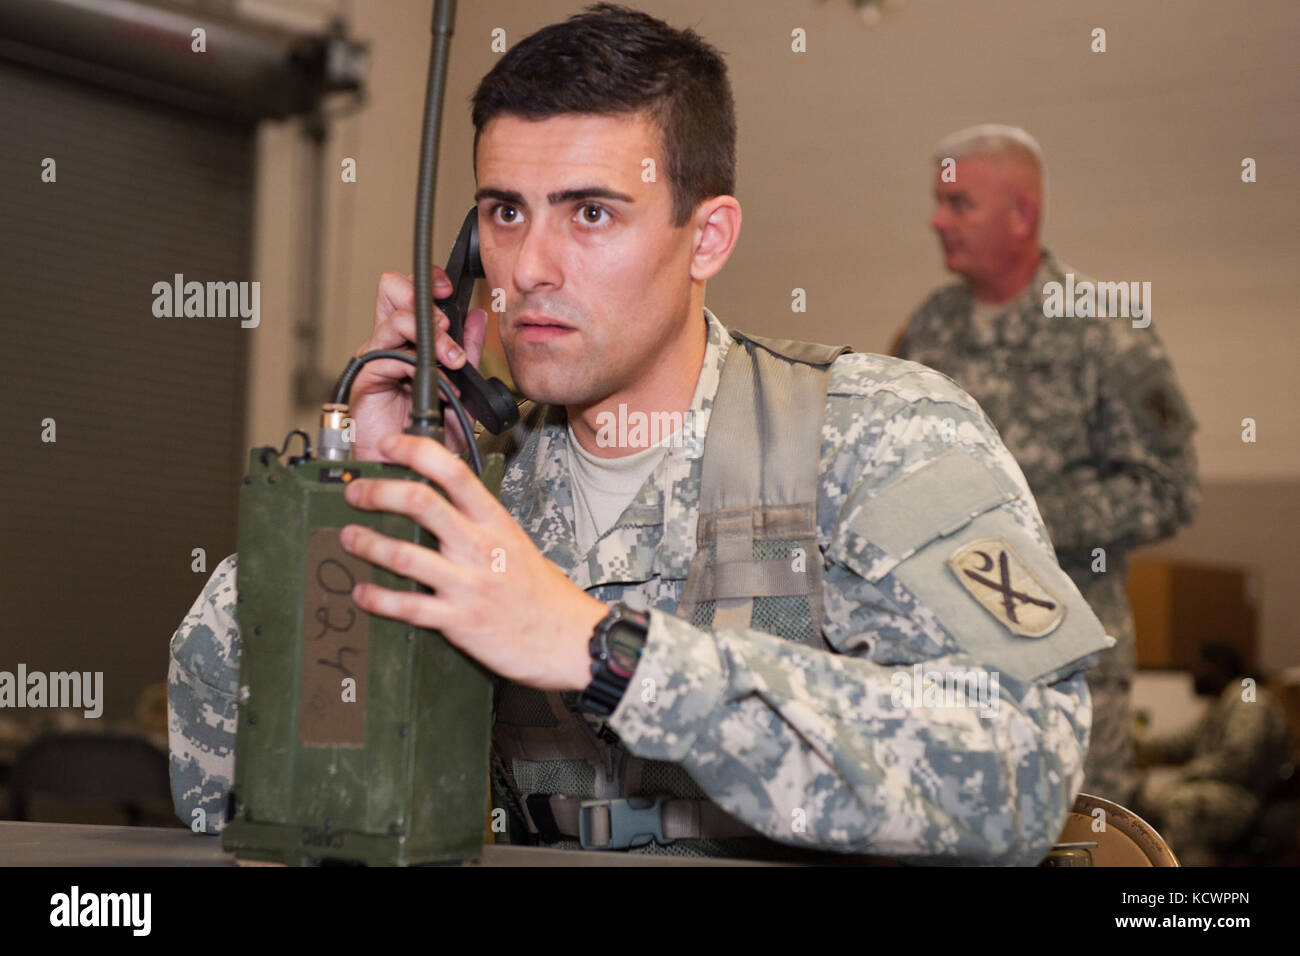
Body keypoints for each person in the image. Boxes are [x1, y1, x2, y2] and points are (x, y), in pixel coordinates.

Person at [169, 4, 1113, 865]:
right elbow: (215, 782)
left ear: (707, 238)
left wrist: (609, 652)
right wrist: (367, 491)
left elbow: (1020, 770)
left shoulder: (869, 435)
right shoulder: (472, 478)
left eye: (589, 213)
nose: (530, 268)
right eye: (504, 212)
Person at [893, 125, 1200, 807]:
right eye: (938, 201)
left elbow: (1170, 489)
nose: (936, 220)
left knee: (1081, 846)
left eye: (958, 202)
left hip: (1071, 664)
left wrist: (1020, 521)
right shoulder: (928, 330)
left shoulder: (1103, 327)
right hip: (951, 663)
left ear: (1022, 213)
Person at [1133, 642, 1291, 866]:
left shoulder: (1248, 699)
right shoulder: (1223, 704)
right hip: (1217, 789)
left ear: (1217, 666)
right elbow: (1179, 743)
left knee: (1183, 803)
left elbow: (1239, 759)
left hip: (1242, 798)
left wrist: (1187, 774)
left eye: (1198, 665)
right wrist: (1131, 743)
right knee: (1140, 798)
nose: (1192, 674)